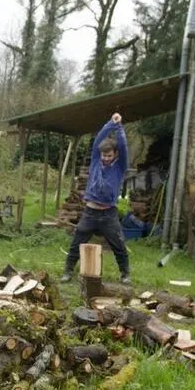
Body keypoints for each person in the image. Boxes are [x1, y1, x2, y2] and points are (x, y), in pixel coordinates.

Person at [61, 112, 131, 284]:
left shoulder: (120, 166)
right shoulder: (95, 160)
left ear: (115, 154)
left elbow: (123, 146)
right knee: (77, 241)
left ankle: (125, 274)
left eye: (109, 156)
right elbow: (100, 138)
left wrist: (119, 127)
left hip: (109, 213)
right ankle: (68, 271)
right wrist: (110, 124)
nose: (106, 159)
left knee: (119, 245)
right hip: (90, 211)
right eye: (104, 155)